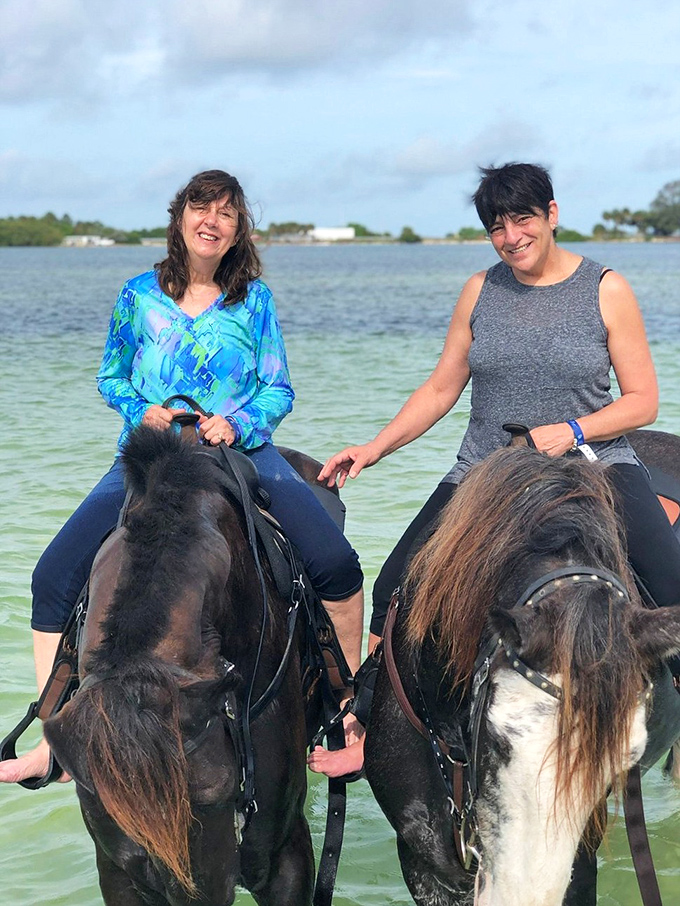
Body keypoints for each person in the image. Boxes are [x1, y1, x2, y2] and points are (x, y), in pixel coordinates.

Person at [307, 161, 680, 778]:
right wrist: (374, 448)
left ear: (551, 215)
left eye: (523, 219)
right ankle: (369, 727)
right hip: (485, 467)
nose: (511, 237)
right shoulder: (481, 290)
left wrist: (573, 429)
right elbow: (441, 388)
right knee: (394, 585)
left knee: (671, 583)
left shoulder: (604, 288)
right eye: (497, 227)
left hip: (591, 462)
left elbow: (643, 401)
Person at [1, 169, 364, 785]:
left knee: (336, 564)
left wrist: (238, 422)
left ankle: (343, 710)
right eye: (201, 207)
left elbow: (278, 388)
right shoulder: (137, 295)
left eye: (226, 212)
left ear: (238, 230)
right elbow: (110, 376)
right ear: (180, 219)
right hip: (152, 455)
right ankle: (55, 740)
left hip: (241, 451)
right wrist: (140, 409)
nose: (211, 220)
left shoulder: (254, 300)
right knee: (52, 578)